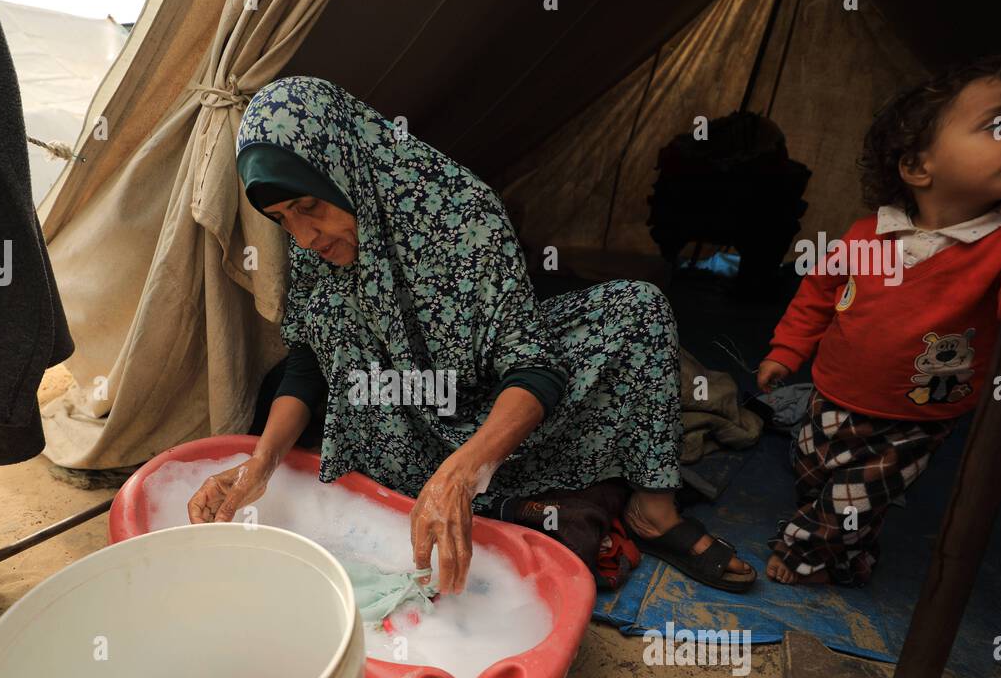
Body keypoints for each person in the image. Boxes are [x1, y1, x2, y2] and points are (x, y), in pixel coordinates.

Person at [189, 76, 755, 594]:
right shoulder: (313, 242)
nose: (305, 234)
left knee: (639, 308)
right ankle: (470, 495)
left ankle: (648, 510)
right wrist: (259, 464)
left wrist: (463, 472)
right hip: (403, 420)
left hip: (494, 408)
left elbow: (532, 367)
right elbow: (311, 360)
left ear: (345, 163)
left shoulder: (460, 212)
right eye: (284, 218)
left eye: (309, 205)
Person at [758, 53, 1001, 585]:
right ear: (917, 166)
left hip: (920, 415)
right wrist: (785, 350)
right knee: (812, 473)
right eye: (1000, 125)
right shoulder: (868, 234)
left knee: (858, 495)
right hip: (831, 393)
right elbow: (819, 294)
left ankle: (804, 556)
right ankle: (851, 555)